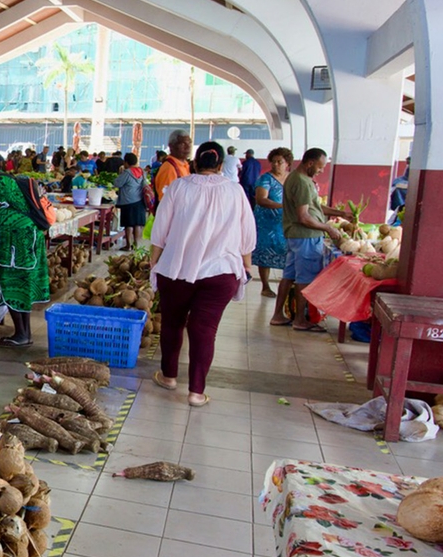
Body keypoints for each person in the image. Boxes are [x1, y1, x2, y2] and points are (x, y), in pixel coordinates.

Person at [149, 141, 255, 407]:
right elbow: (247, 236)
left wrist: (154, 266)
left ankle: (169, 376)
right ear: (221, 166)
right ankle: (196, 392)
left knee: (173, 323)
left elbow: (159, 232)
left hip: (177, 270)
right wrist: (247, 267)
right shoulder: (235, 191)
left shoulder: (179, 187)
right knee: (204, 329)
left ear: (195, 163)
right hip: (221, 273)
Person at [0, 153, 49, 348]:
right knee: (20, 285)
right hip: (23, 239)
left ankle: (22, 334)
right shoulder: (8, 179)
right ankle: (25, 333)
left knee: (12, 283)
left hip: (17, 243)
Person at [269, 148, 350, 331]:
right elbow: (304, 216)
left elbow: (315, 207)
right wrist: (328, 228)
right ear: (310, 163)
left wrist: (341, 213)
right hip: (305, 237)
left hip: (295, 236)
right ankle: (300, 319)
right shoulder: (302, 182)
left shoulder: (297, 178)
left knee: (288, 276)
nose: (321, 171)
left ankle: (277, 315)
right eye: (320, 167)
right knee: (304, 279)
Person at [252, 148, 292, 298]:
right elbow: (261, 199)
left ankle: (286, 284)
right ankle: (265, 286)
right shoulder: (266, 179)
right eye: (273, 162)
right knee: (265, 253)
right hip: (266, 223)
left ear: (287, 163)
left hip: (285, 222)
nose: (276, 165)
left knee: (285, 251)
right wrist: (283, 207)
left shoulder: (291, 178)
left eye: (279, 162)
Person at [113, 153, 147, 251]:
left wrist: (120, 173)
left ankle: (128, 245)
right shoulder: (142, 171)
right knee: (137, 224)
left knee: (129, 224)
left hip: (128, 201)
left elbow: (117, 183)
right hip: (140, 201)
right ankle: (137, 246)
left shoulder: (127, 173)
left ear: (126, 162)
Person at [153, 131, 192, 202]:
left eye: (189, 143)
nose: (188, 147)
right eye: (183, 144)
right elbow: (165, 202)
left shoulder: (184, 164)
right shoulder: (169, 169)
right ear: (171, 146)